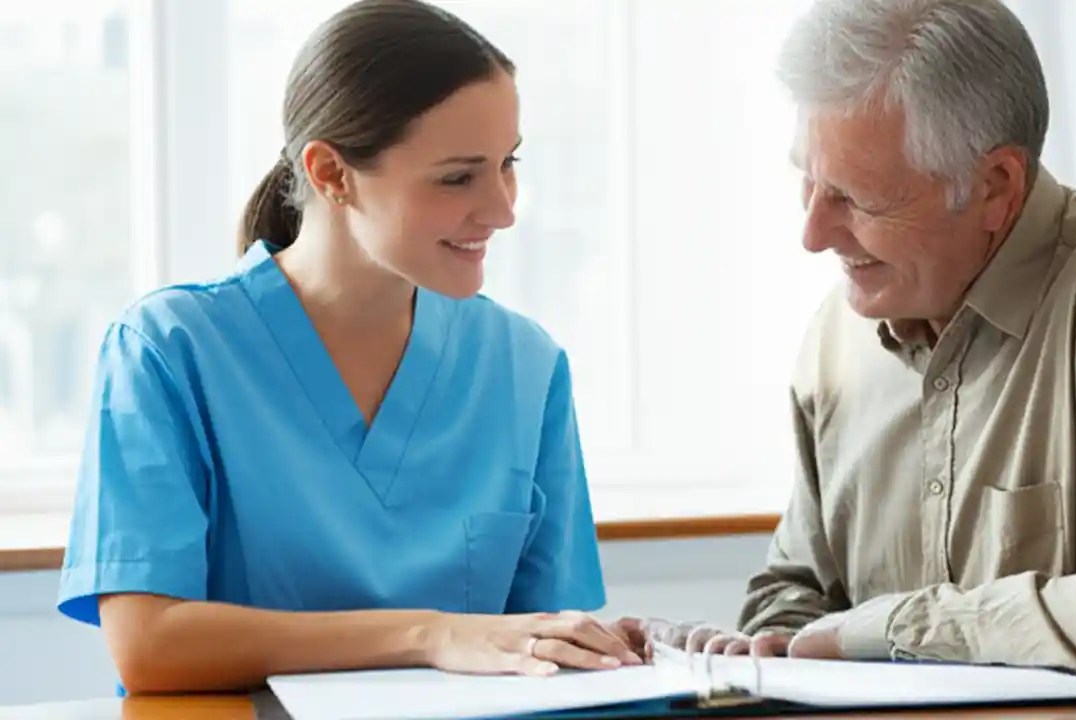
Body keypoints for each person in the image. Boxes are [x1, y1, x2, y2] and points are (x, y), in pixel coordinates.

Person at [642, 0, 1076, 680]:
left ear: (994, 188)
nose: (812, 234)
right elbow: (798, 597)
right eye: (807, 179)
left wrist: (896, 627)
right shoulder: (839, 332)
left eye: (855, 197)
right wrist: (752, 651)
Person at [56, 0, 640, 694]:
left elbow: (531, 641)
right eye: (458, 176)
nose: (505, 209)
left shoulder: (525, 366)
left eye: (506, 163)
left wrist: (604, 647)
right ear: (331, 174)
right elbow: (148, 645)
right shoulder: (167, 350)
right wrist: (431, 633)